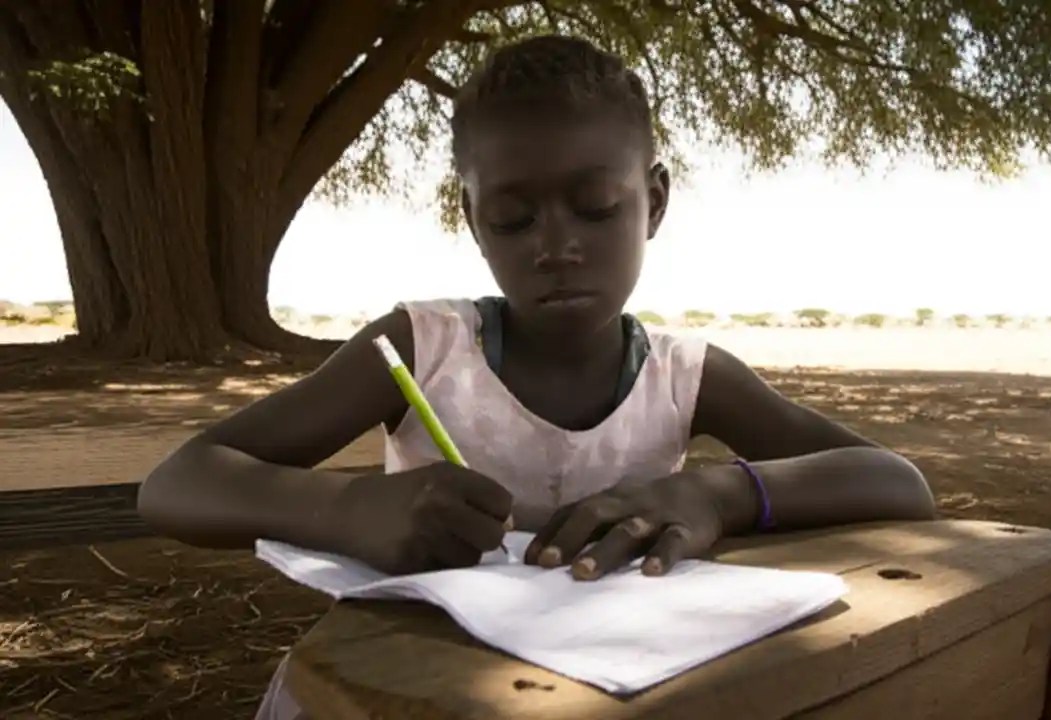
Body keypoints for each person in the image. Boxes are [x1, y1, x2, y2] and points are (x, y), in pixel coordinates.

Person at [137, 35, 935, 719]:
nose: (556, 245)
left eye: (595, 207)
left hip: (611, 692)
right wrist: (346, 508)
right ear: (473, 219)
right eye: (513, 219)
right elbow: (177, 484)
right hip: (391, 695)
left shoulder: (684, 379)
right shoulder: (422, 348)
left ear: (654, 202)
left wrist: (718, 495)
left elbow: (895, 482)